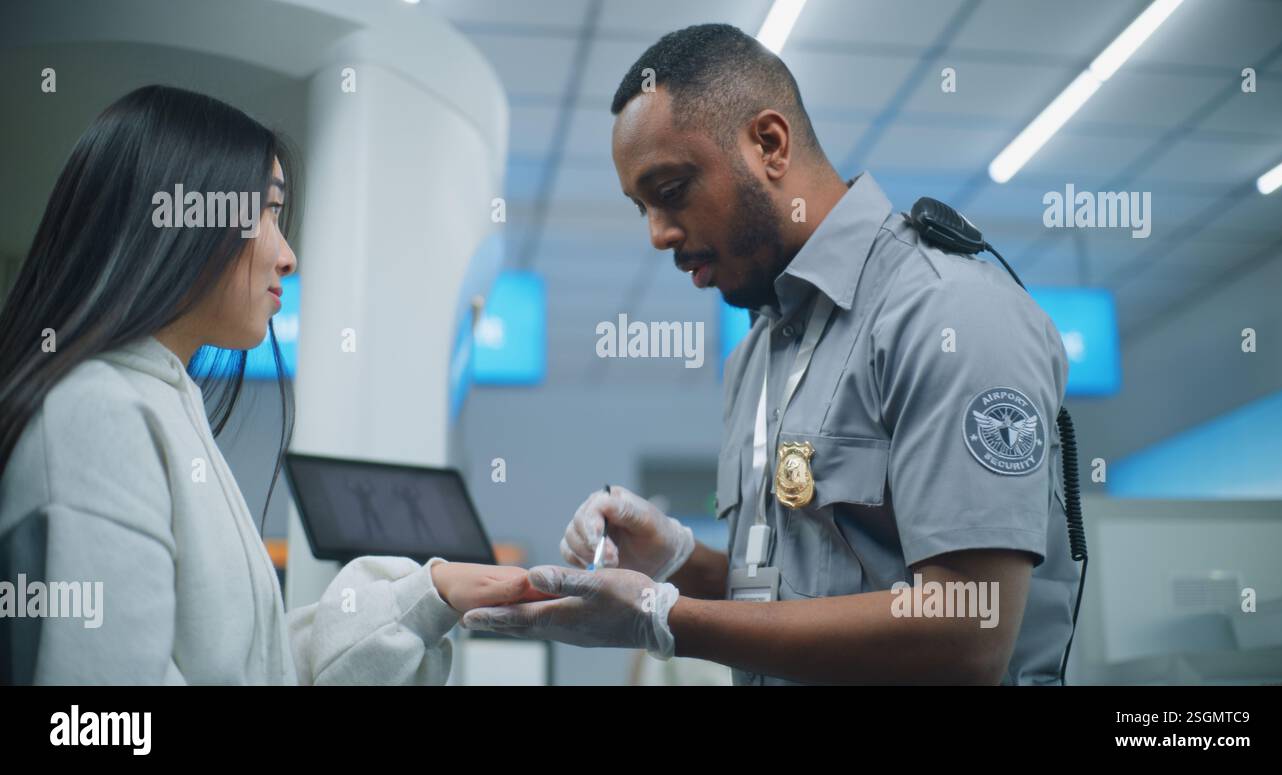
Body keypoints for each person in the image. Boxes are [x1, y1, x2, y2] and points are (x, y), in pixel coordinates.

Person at [464, 24, 1079, 685]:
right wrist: (678, 560)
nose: (658, 234)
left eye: (670, 190)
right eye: (640, 206)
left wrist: (665, 617)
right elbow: (795, 595)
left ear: (770, 144)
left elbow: (970, 629)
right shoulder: (758, 352)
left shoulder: (946, 312)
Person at [0, 85, 549, 685]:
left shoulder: (158, 407)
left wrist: (426, 596)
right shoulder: (100, 416)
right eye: (265, 212)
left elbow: (257, 669)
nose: (287, 256)